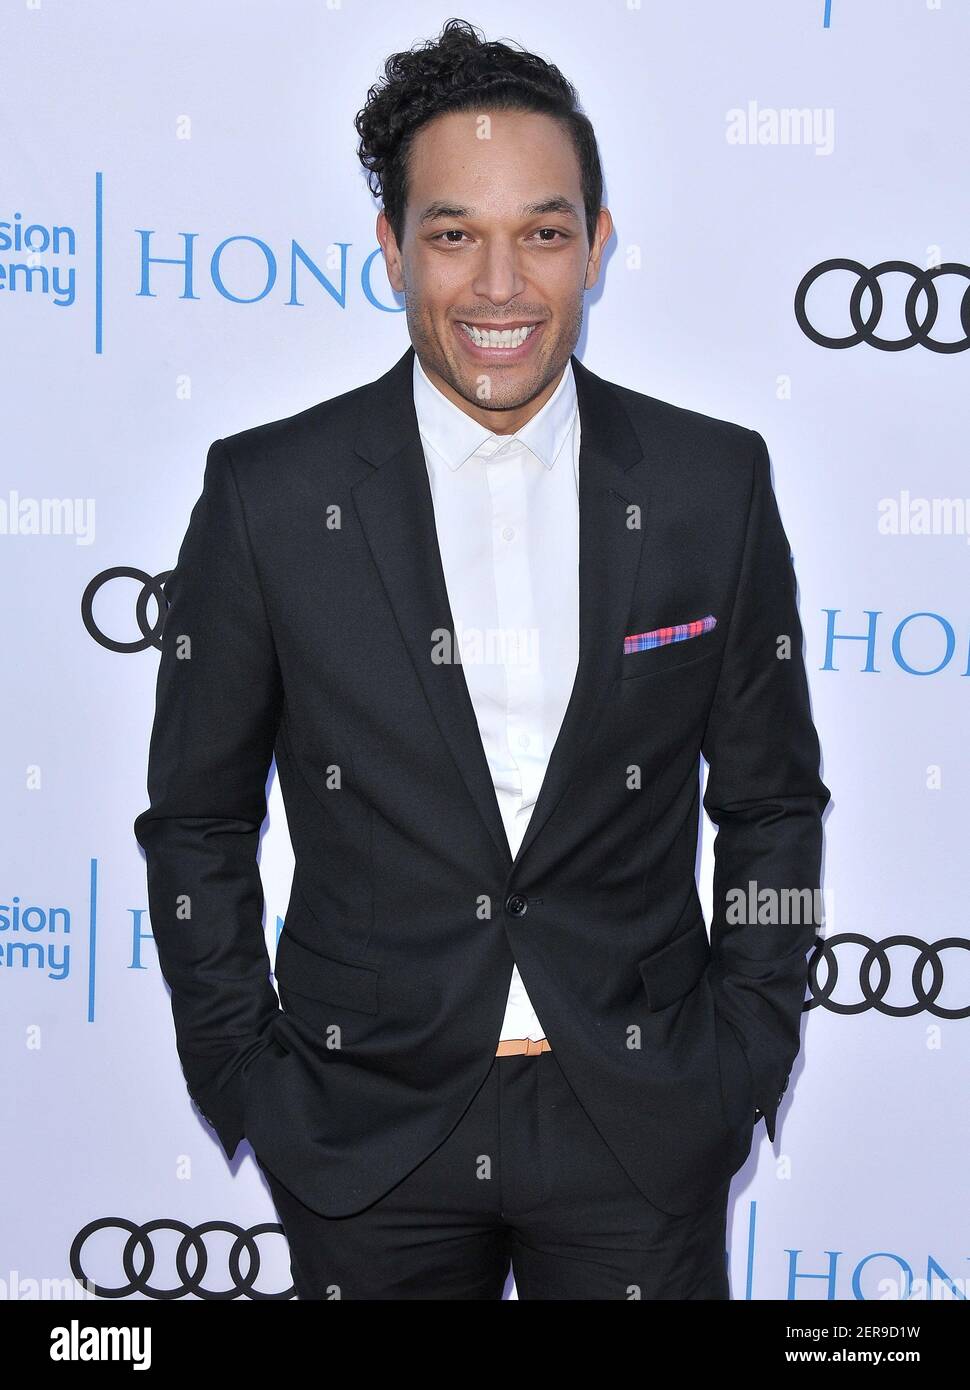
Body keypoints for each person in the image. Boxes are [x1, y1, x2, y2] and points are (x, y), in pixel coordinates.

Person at [134, 18, 830, 1300]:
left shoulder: (706, 484)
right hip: (366, 1125)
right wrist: (247, 1075)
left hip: (639, 1114)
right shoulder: (269, 496)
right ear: (393, 252)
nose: (500, 285)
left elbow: (773, 803)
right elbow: (194, 818)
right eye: (454, 234)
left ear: (597, 249)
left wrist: (748, 1048)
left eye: (544, 233)